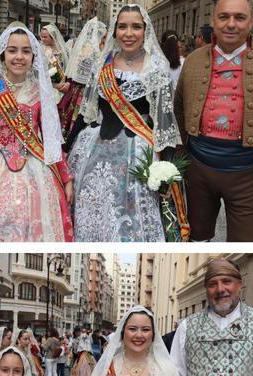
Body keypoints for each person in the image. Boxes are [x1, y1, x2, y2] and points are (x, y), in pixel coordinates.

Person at [173, 0, 253, 242]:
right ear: (213, 21)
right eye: (224, 17)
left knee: (245, 241)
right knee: (195, 238)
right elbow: (178, 110)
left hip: (247, 175)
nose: (231, 24)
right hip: (197, 170)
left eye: (240, 18)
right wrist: (179, 156)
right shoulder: (194, 60)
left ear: (252, 22)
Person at [69, 4, 182, 242]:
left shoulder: (156, 69)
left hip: (138, 153)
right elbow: (86, 112)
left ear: (145, 31)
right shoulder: (102, 65)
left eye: (135, 27)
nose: (128, 33)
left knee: (130, 211)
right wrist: (65, 148)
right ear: (114, 31)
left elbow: (164, 124)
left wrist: (167, 170)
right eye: (122, 27)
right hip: (96, 151)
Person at [0, 26, 74, 242]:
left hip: (35, 170)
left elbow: (52, 140)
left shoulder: (41, 92)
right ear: (2, 54)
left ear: (33, 56)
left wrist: (66, 178)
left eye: (26, 51)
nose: (19, 57)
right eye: (12, 50)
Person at [61, 17, 106, 144]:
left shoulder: (90, 46)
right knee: (83, 116)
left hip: (82, 88)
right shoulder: (91, 48)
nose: (104, 38)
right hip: (85, 89)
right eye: (103, 35)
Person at [40, 24, 70, 103]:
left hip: (62, 83)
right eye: (42, 36)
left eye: (45, 37)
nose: (42, 39)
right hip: (48, 86)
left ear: (52, 36)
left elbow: (66, 65)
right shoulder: (41, 49)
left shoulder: (62, 49)